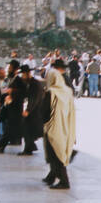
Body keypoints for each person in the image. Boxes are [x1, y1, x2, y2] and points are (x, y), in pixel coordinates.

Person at [41, 59, 76, 189]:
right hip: (65, 126)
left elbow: (45, 111)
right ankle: (54, 176)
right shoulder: (67, 91)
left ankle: (64, 181)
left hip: (53, 127)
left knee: (54, 154)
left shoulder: (51, 92)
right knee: (59, 152)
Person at [16, 63, 42, 155]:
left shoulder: (34, 84)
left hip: (34, 111)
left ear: (27, 74)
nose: (22, 77)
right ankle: (30, 147)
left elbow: (33, 99)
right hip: (32, 110)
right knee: (28, 130)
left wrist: (28, 110)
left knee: (28, 129)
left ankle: (28, 149)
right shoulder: (29, 83)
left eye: (23, 74)